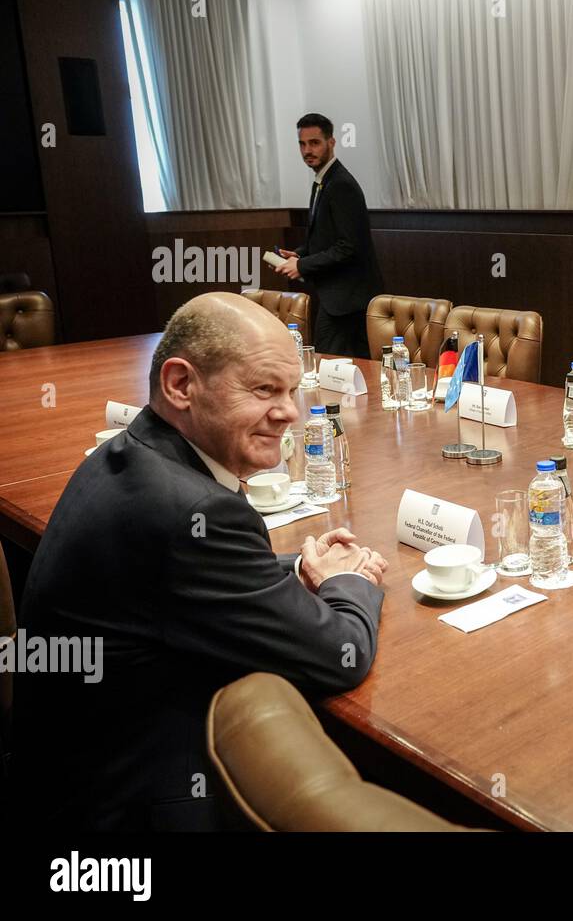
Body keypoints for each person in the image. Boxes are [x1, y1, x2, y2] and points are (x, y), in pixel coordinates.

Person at [14, 293, 389, 830]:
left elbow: (172, 579)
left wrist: (294, 569)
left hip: (61, 773)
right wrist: (349, 581)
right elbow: (340, 657)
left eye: (291, 391)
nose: (288, 413)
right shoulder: (197, 511)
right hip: (129, 812)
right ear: (181, 385)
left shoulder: (129, 455)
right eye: (264, 389)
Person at [275, 112, 382, 358]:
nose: (307, 150)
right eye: (302, 144)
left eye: (314, 143)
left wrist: (303, 265)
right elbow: (327, 239)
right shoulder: (323, 181)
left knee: (331, 367)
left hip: (349, 302)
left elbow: (348, 246)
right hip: (338, 299)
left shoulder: (340, 184)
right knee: (334, 369)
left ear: (331, 142)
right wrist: (300, 254)